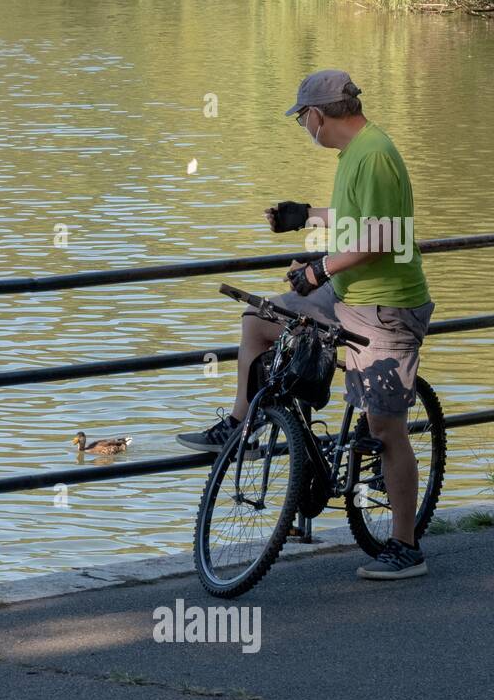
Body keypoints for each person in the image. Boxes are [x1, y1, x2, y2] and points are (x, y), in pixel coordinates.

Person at [176, 69, 435, 581]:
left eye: (302, 120)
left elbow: (383, 237)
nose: (304, 127)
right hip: (348, 293)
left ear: (317, 115)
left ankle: (405, 547)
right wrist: (306, 216)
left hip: (385, 307)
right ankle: (241, 421)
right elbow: (356, 217)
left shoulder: (376, 155)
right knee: (259, 319)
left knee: (386, 430)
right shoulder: (355, 154)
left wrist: (319, 267)